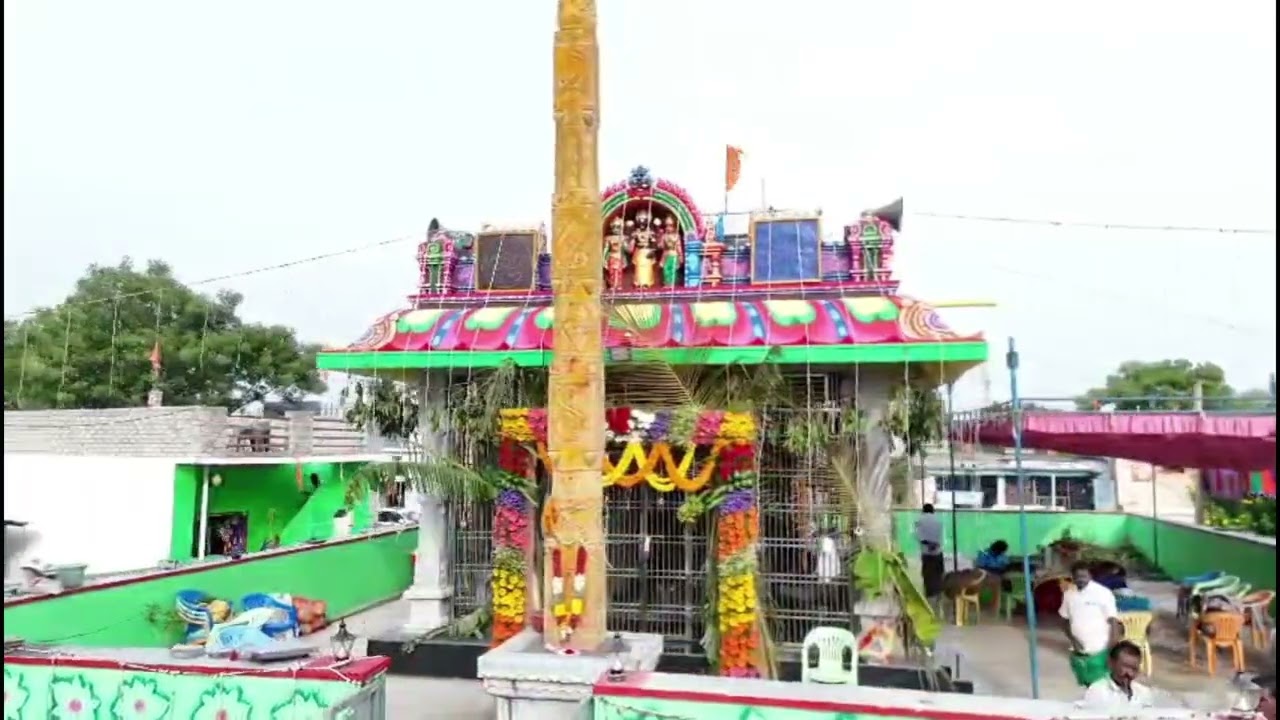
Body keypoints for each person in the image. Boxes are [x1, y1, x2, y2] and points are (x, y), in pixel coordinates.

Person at [1061, 560, 1123, 687]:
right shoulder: (1068, 595)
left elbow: (1114, 623)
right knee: (1088, 686)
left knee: (1103, 686)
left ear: (1090, 576)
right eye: (1077, 576)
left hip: (1100, 650)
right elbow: (1064, 620)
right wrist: (1073, 640)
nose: (1080, 579)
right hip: (1079, 652)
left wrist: (1111, 651)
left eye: (1084, 576)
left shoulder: (1103, 593)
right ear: (1072, 577)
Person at [1080, 641, 1153, 709]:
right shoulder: (1097, 691)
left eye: (1134, 669)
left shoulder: (1143, 693)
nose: (1129, 673)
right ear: (1111, 663)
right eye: (1125, 666)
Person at [915, 504, 945, 599]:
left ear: (923, 510)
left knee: (928, 574)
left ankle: (929, 594)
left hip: (926, 553)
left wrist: (928, 544)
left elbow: (918, 536)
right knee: (938, 573)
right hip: (937, 551)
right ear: (933, 510)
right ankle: (939, 593)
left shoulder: (919, 520)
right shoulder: (938, 520)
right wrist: (934, 544)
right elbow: (941, 536)